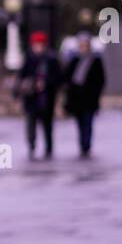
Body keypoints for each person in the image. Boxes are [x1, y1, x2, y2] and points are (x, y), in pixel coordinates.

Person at [15, 30, 61, 159]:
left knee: (47, 125)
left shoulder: (51, 59)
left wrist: (46, 83)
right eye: (35, 44)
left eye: (40, 44)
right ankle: (32, 145)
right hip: (31, 97)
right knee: (31, 123)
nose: (37, 47)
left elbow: (58, 78)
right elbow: (21, 76)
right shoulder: (29, 59)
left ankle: (49, 147)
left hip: (46, 98)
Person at [63, 32, 106, 157]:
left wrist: (95, 93)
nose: (83, 48)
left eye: (85, 45)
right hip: (76, 99)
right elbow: (67, 78)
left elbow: (100, 80)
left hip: (89, 99)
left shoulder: (96, 60)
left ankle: (86, 145)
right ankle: (82, 144)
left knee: (87, 122)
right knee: (79, 123)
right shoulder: (75, 60)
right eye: (81, 45)